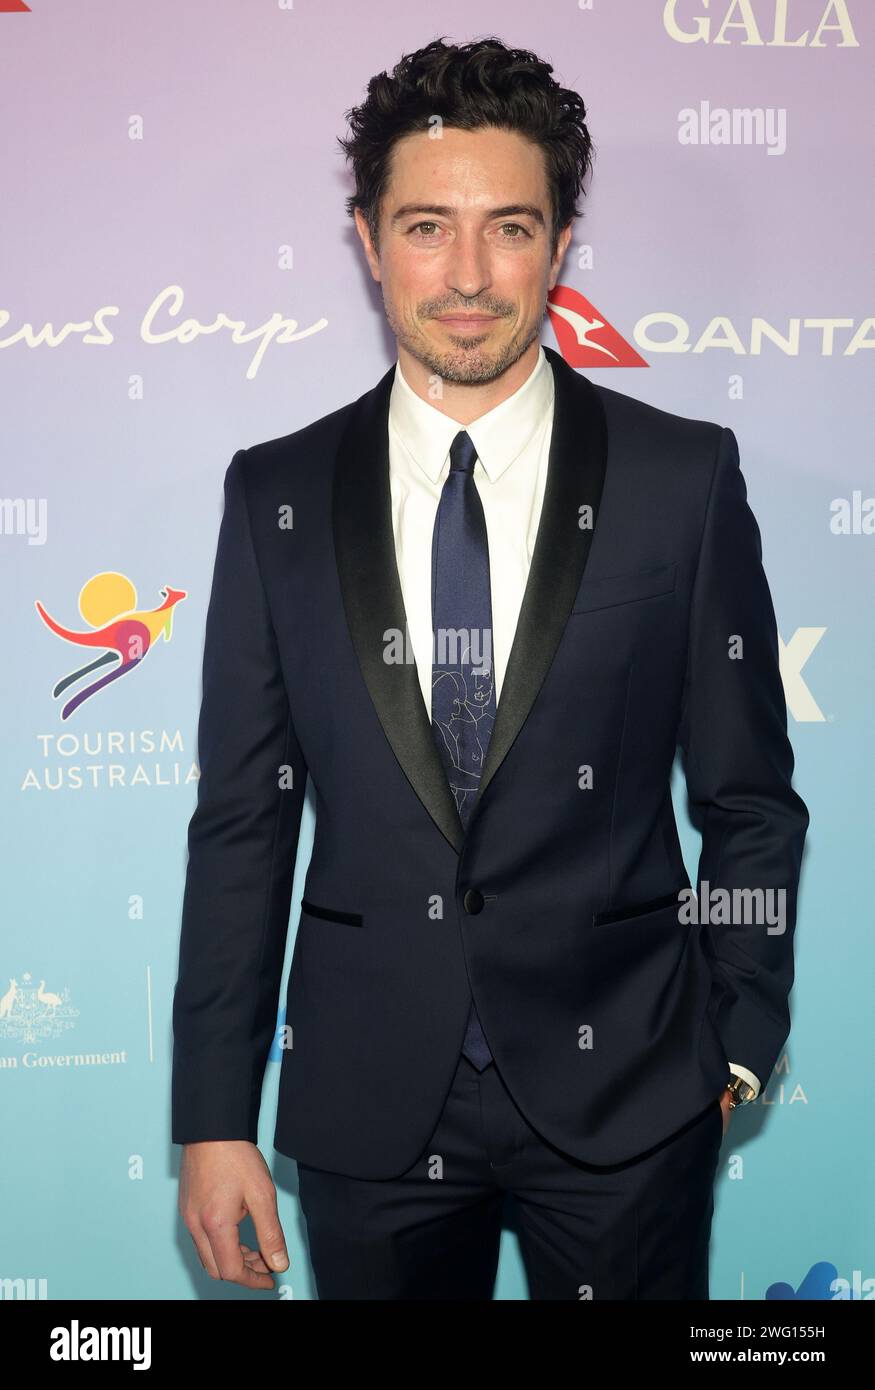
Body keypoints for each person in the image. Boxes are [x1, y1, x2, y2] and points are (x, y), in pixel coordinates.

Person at [172, 36, 808, 1300]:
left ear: (560, 242)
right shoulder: (277, 495)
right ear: (365, 238)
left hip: (630, 1098)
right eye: (424, 226)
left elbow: (746, 800)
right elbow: (245, 821)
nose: (466, 276)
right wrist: (212, 1115)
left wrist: (732, 1040)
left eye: (508, 227)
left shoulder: (681, 480)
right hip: (367, 1099)